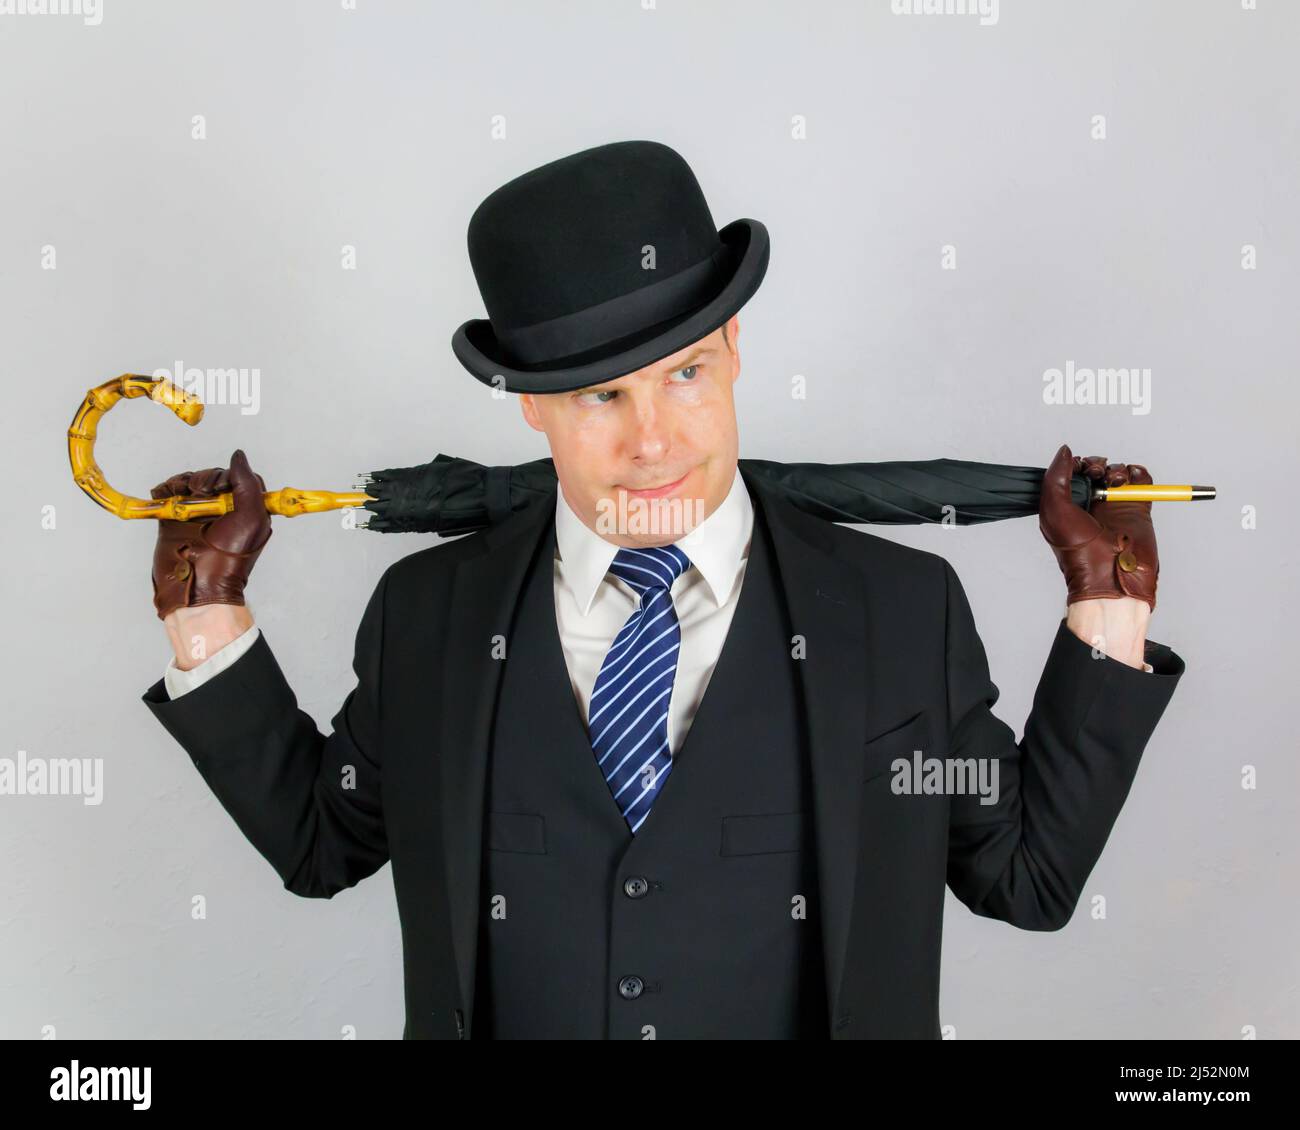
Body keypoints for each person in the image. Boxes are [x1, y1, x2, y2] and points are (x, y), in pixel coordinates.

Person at [141, 140, 1184, 1040]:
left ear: (732, 350)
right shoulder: (432, 615)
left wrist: (1108, 600)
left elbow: (1024, 873)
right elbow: (326, 842)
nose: (651, 441)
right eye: (600, 393)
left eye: (682, 372)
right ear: (530, 409)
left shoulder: (895, 611)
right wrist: (206, 612)